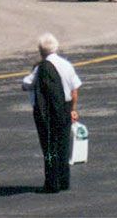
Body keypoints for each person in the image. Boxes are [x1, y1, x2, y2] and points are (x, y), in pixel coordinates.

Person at [22, 33, 82, 193]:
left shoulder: (41, 67)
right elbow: (75, 89)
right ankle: (64, 180)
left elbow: (26, 83)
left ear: (41, 50)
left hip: (46, 111)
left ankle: (51, 182)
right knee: (63, 145)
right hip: (64, 108)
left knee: (49, 148)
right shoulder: (66, 65)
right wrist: (73, 109)